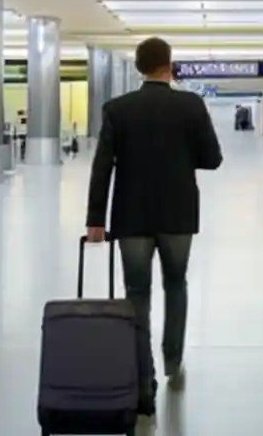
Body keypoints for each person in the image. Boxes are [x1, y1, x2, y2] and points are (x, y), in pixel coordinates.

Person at [86, 37, 223, 391]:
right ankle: (173, 360)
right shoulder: (191, 105)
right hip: (178, 213)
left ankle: (140, 368)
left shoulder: (117, 109)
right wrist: (179, 157)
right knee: (176, 284)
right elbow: (212, 159)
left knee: (136, 291)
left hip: (131, 215)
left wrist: (96, 220)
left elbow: (102, 167)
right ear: (169, 63)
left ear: (138, 67)